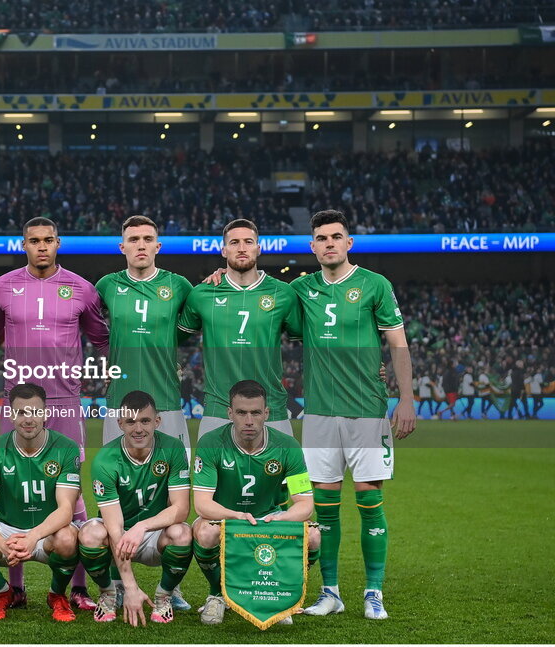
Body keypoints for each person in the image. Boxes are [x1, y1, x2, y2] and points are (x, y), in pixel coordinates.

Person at [290, 210, 416, 621]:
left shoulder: (374, 284)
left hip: (366, 411)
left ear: (349, 243)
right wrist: (220, 276)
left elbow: (397, 344)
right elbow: (259, 299)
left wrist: (407, 398)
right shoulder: (300, 289)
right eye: (321, 238)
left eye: (336, 236)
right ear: (312, 247)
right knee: (323, 506)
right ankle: (330, 592)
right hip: (320, 415)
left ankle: (373, 591)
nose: (329, 243)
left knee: (369, 498)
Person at [0, 216, 109, 610]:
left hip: (64, 403)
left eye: (48, 240)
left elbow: (101, 338)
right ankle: (15, 586)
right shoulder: (1, 288)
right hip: (17, 403)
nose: (41, 246)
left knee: (73, 494)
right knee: (12, 488)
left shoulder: (82, 289)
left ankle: (78, 587)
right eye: (34, 240)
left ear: (58, 243)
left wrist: (107, 378)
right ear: (24, 244)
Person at [94, 214, 193, 611]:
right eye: (132, 239)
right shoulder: (105, 286)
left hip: (167, 405)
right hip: (119, 406)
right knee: (116, 492)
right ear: (122, 248)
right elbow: (87, 325)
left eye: (147, 238)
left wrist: (220, 275)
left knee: (176, 498)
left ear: (158, 246)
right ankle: (119, 581)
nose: (139, 244)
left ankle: (175, 588)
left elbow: (198, 319)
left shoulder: (179, 286)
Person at [190, 379, 321, 626]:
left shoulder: (288, 446)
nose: (248, 420)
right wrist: (236, 516)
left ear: (266, 414)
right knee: (206, 532)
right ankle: (217, 594)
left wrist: (280, 517)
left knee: (313, 536)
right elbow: (202, 504)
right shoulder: (211, 442)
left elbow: (305, 503)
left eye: (255, 413)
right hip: (227, 519)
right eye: (241, 412)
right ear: (230, 413)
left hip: (269, 518)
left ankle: (278, 596)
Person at [0, 382, 82, 623]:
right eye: (21, 412)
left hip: (48, 531)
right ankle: (2, 592)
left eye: (35, 412)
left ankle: (57, 595)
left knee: (68, 539)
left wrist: (33, 537)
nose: (28, 419)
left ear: (46, 413)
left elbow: (66, 510)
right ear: (11, 415)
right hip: (8, 529)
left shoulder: (66, 448)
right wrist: (2, 543)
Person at [178, 219, 302, 438]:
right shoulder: (202, 294)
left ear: (258, 248)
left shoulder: (283, 293)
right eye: (234, 242)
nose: (242, 248)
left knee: (278, 472)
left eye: (248, 242)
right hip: (218, 410)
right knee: (211, 473)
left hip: (271, 411)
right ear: (224, 250)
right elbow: (171, 337)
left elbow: (313, 338)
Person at [78, 390, 193, 626]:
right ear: (120, 423)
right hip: (117, 535)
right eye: (130, 422)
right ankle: (109, 593)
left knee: (182, 533)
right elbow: (114, 526)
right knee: (89, 534)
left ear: (157, 421)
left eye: (145, 421)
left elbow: (181, 509)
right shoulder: (105, 459)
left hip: (153, 533)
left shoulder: (173, 448)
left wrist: (142, 526)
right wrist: (131, 587)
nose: (138, 429)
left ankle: (164, 596)